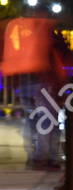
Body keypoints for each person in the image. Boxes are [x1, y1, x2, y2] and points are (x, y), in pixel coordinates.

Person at [2, 10, 67, 169]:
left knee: (31, 120)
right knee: (47, 120)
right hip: (42, 80)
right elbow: (55, 59)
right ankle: (45, 157)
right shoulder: (43, 31)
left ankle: (34, 156)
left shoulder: (18, 30)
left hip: (24, 81)